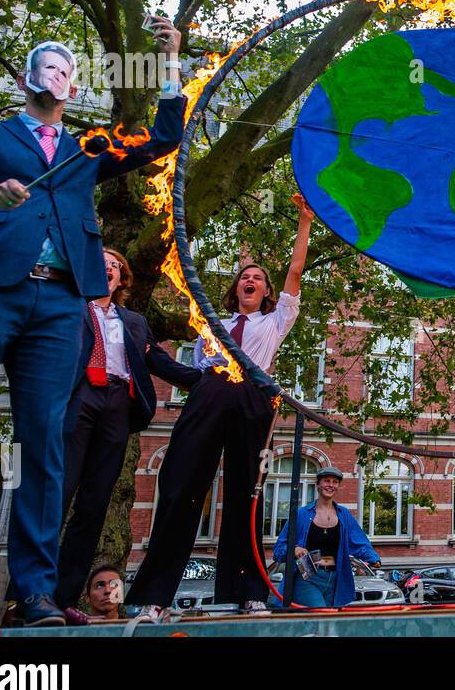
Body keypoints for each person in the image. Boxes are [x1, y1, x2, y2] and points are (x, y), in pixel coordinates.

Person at [0, 23, 187, 630]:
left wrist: (168, 62)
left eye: (68, 70)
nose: (59, 76)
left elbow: (165, 136)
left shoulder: (85, 150)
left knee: (44, 447)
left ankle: (34, 594)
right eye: (49, 66)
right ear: (25, 79)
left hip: (61, 306)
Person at [127, 195, 315, 621]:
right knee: (181, 486)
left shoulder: (275, 321)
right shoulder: (216, 325)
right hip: (211, 393)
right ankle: (156, 596)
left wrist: (304, 220)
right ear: (236, 288)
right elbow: (197, 371)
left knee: (246, 492)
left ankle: (247, 591)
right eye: (244, 276)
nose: (250, 280)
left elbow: (296, 270)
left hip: (252, 396)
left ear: (267, 292)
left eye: (257, 278)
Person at [54, 248, 202, 612]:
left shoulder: (134, 322)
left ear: (122, 279)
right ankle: (27, 593)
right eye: (100, 262)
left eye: (115, 265)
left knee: (94, 505)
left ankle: (63, 598)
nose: (107, 267)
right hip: (80, 398)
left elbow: (160, 362)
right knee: (56, 495)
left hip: (118, 406)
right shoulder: (70, 307)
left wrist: (213, 380)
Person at [271, 467, 381, 608]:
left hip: (335, 579)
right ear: (317, 485)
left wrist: (373, 558)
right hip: (308, 576)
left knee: (328, 625)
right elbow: (279, 549)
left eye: (335, 482)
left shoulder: (344, 515)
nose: (331, 485)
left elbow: (360, 543)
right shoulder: (302, 514)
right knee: (321, 618)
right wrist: (294, 549)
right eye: (326, 481)